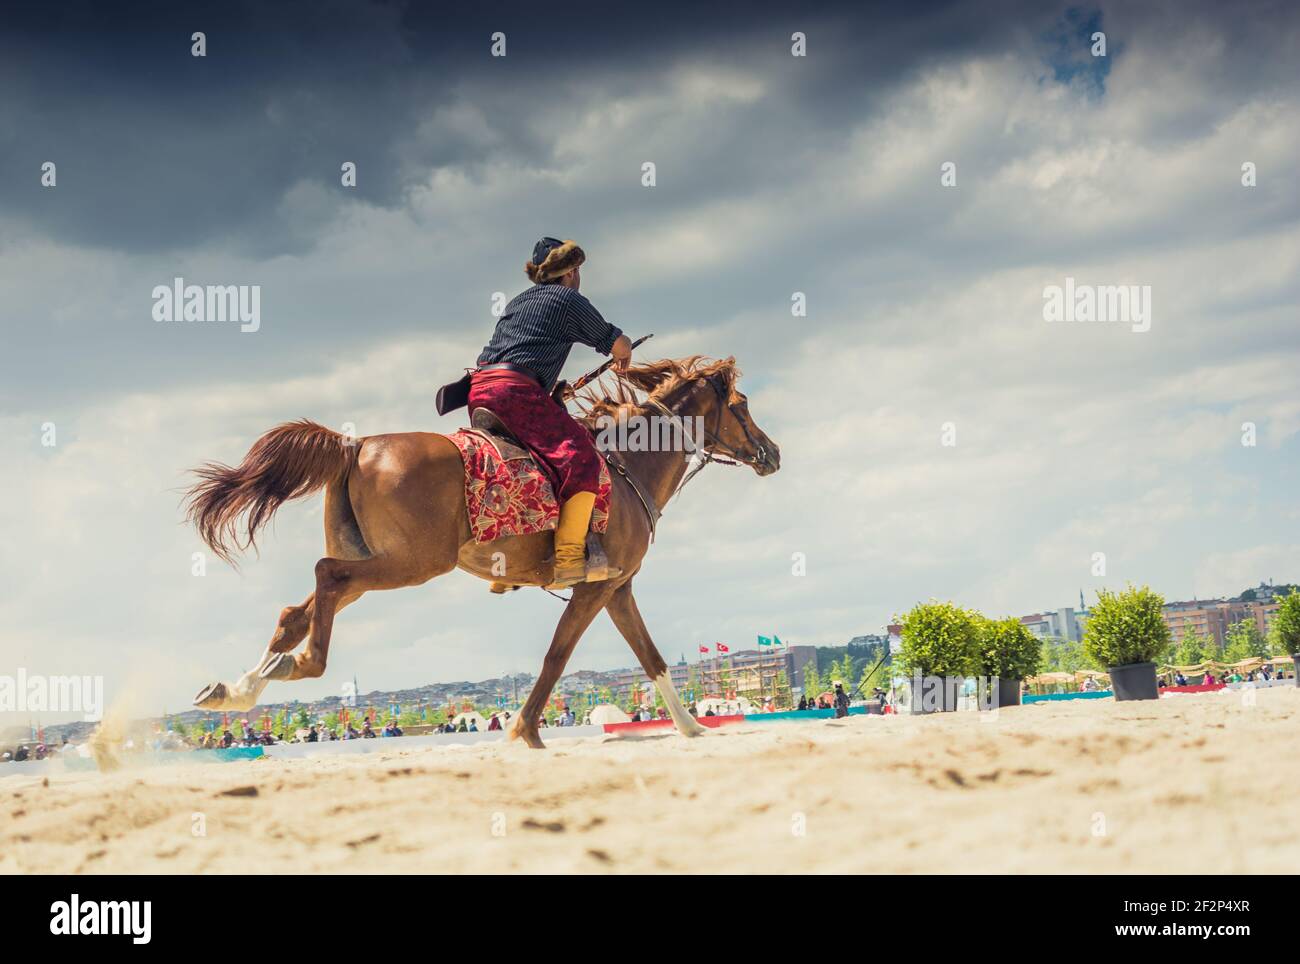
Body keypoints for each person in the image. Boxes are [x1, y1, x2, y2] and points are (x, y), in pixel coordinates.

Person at [451, 237, 634, 589]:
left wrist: (548, 391)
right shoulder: (568, 299)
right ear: (571, 271)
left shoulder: (519, 302)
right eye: (578, 270)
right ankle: (567, 560)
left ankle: (506, 569)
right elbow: (618, 343)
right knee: (581, 460)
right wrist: (622, 353)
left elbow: (519, 353)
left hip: (481, 391)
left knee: (526, 462)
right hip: (515, 393)